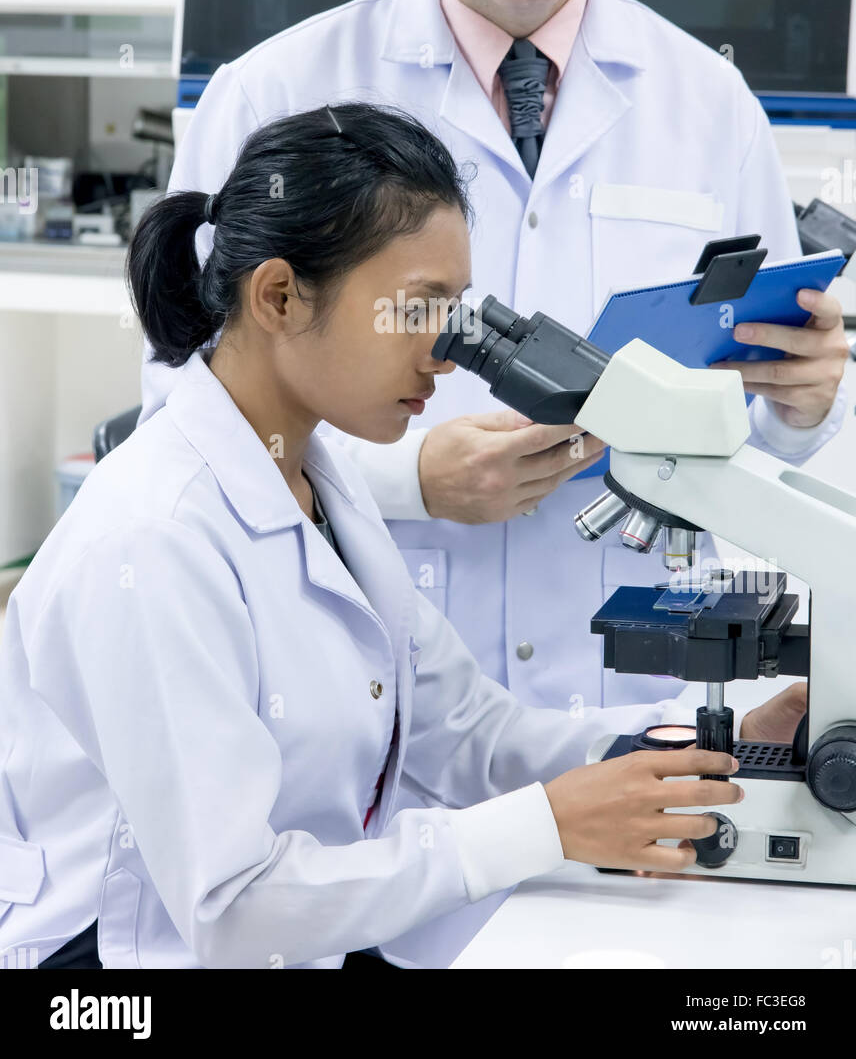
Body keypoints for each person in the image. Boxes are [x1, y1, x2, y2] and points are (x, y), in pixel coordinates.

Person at [141, 0, 847, 726]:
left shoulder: (709, 105)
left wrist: (801, 404)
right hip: (357, 704)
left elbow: (751, 433)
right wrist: (407, 479)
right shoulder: (277, 94)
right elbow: (179, 420)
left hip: (624, 698)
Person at [0, 104, 796, 971]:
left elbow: (466, 733)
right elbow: (231, 909)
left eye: (458, 313)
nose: (447, 356)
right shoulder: (152, 543)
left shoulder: (317, 483)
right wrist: (545, 827)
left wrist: (703, 747)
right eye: (419, 310)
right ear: (277, 295)